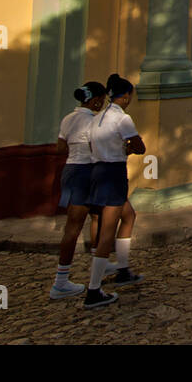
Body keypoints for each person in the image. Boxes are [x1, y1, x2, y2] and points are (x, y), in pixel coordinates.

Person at [84, 73, 146, 309]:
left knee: (129, 215)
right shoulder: (123, 119)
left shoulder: (97, 118)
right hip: (114, 173)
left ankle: (123, 269)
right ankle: (93, 290)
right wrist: (128, 148)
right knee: (108, 232)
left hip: (98, 170)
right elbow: (140, 146)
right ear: (126, 96)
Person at [49, 81, 106, 300]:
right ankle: (61, 282)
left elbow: (60, 147)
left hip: (71, 170)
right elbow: (98, 148)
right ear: (96, 100)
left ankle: (97, 264)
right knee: (81, 225)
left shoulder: (68, 119)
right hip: (87, 171)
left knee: (93, 217)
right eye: (102, 100)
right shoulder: (94, 122)